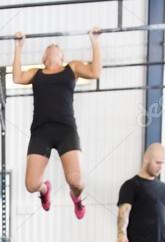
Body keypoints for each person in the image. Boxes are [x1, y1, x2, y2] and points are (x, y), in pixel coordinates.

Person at [13, 28, 101, 220]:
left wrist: (94, 41)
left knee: (76, 181)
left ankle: (76, 199)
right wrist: (18, 47)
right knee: (31, 185)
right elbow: (17, 77)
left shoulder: (72, 68)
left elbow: (95, 72)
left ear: (62, 56)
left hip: (66, 130)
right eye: (49, 48)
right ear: (44, 57)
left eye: (57, 47)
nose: (53, 47)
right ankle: (45, 190)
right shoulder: (37, 73)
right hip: (41, 132)